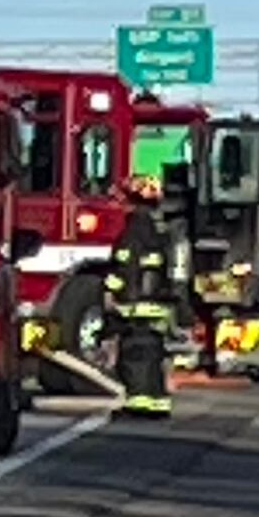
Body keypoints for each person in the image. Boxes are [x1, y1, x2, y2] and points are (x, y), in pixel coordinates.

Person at [106, 174, 180, 416]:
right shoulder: (159, 229)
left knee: (135, 355)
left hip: (136, 303)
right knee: (153, 354)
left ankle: (139, 404)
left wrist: (111, 291)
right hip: (156, 303)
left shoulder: (134, 228)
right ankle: (158, 401)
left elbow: (125, 265)